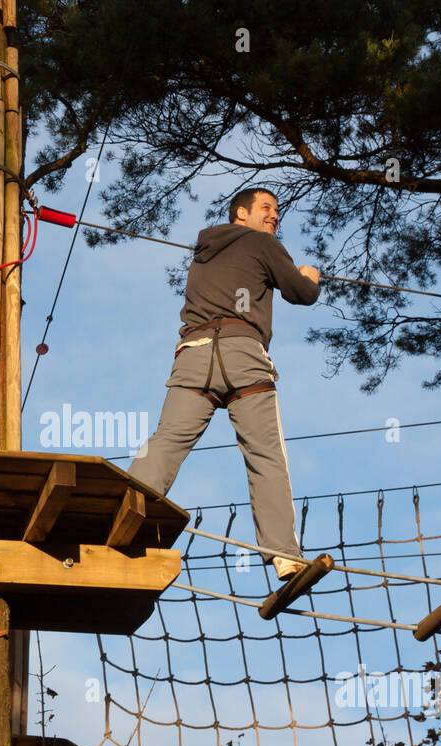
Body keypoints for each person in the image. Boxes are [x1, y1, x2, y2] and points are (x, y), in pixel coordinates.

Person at [129, 188, 322, 600]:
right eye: (267, 208)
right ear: (242, 212)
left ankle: (118, 518)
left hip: (193, 356)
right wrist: (309, 275)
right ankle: (284, 554)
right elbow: (299, 293)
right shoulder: (262, 243)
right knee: (265, 453)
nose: (274, 216)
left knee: (165, 444)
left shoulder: (204, 252)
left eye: (276, 211)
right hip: (242, 354)